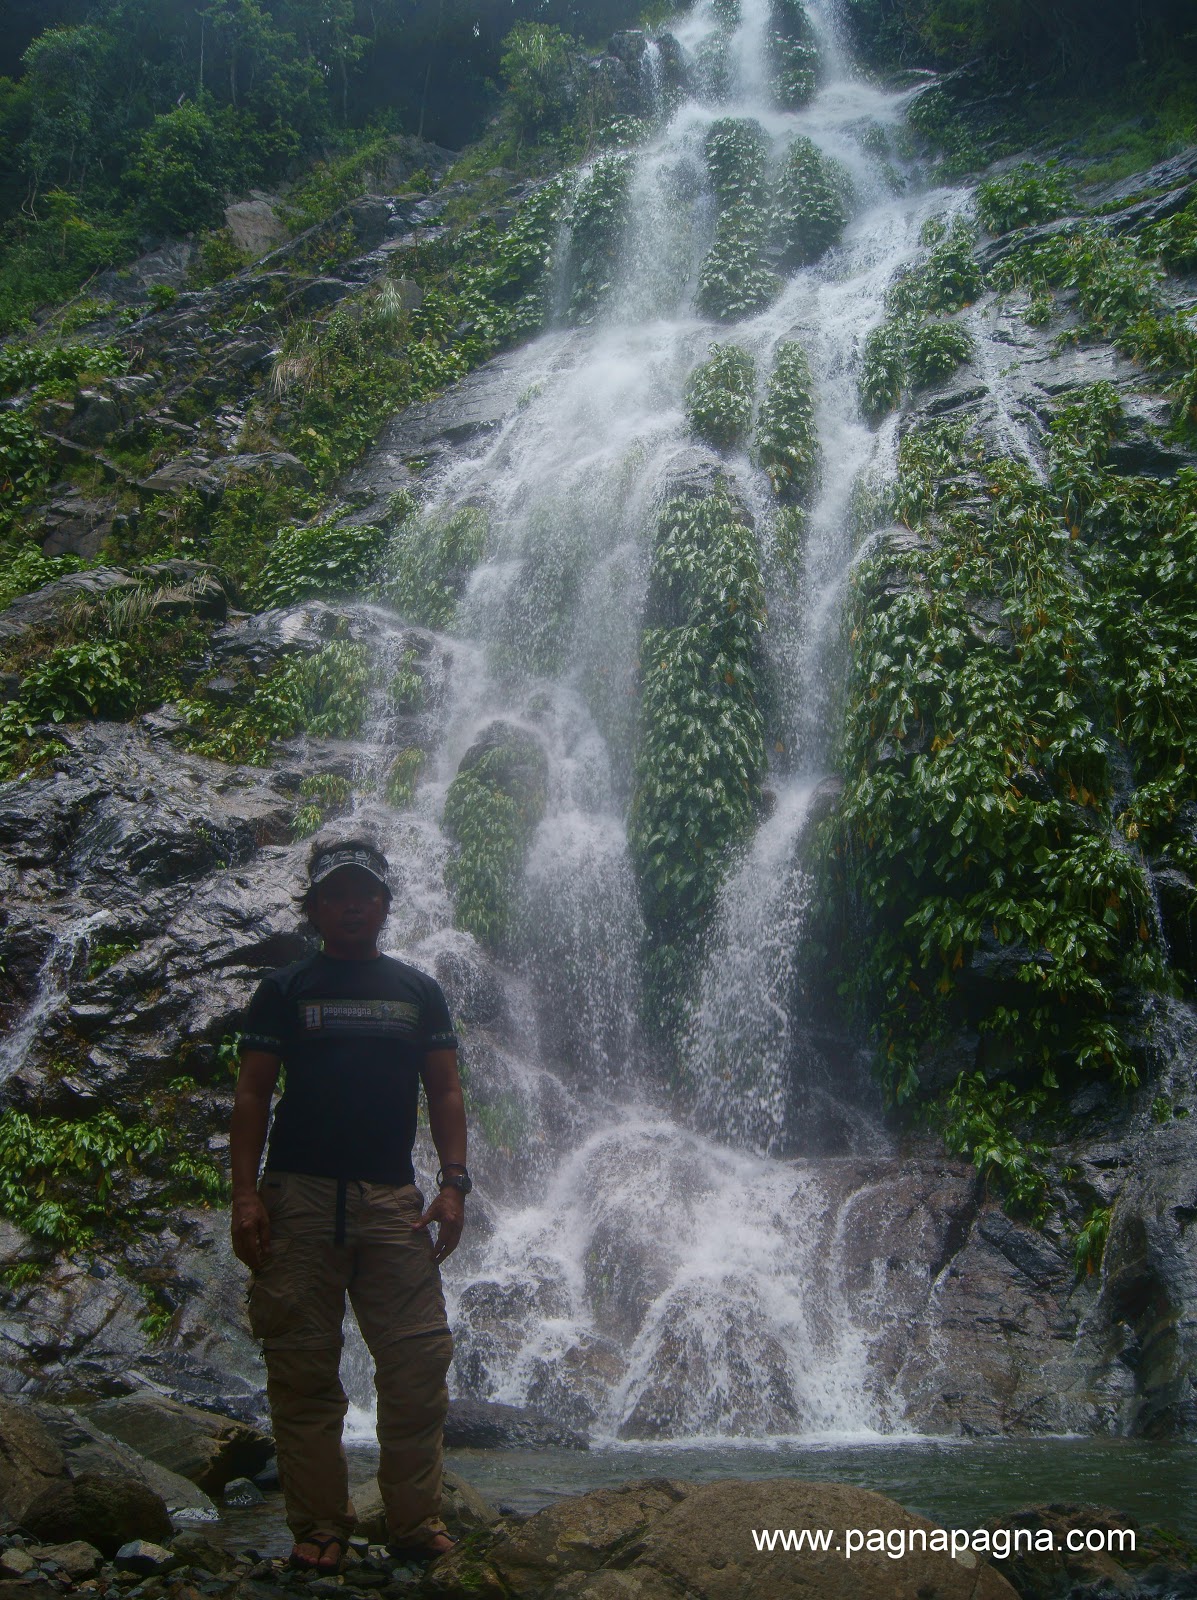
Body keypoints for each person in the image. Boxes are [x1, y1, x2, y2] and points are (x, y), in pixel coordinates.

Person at [229, 837, 470, 1572]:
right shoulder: (285, 989)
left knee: (417, 1363)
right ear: (315, 908)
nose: (353, 904)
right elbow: (252, 1094)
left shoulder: (418, 991)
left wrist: (453, 1184)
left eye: (366, 892)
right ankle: (321, 1528)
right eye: (337, 894)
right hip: (297, 1199)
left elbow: (445, 1089)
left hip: (393, 1202)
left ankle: (414, 1521)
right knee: (302, 1369)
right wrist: (244, 1195)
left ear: (386, 904)